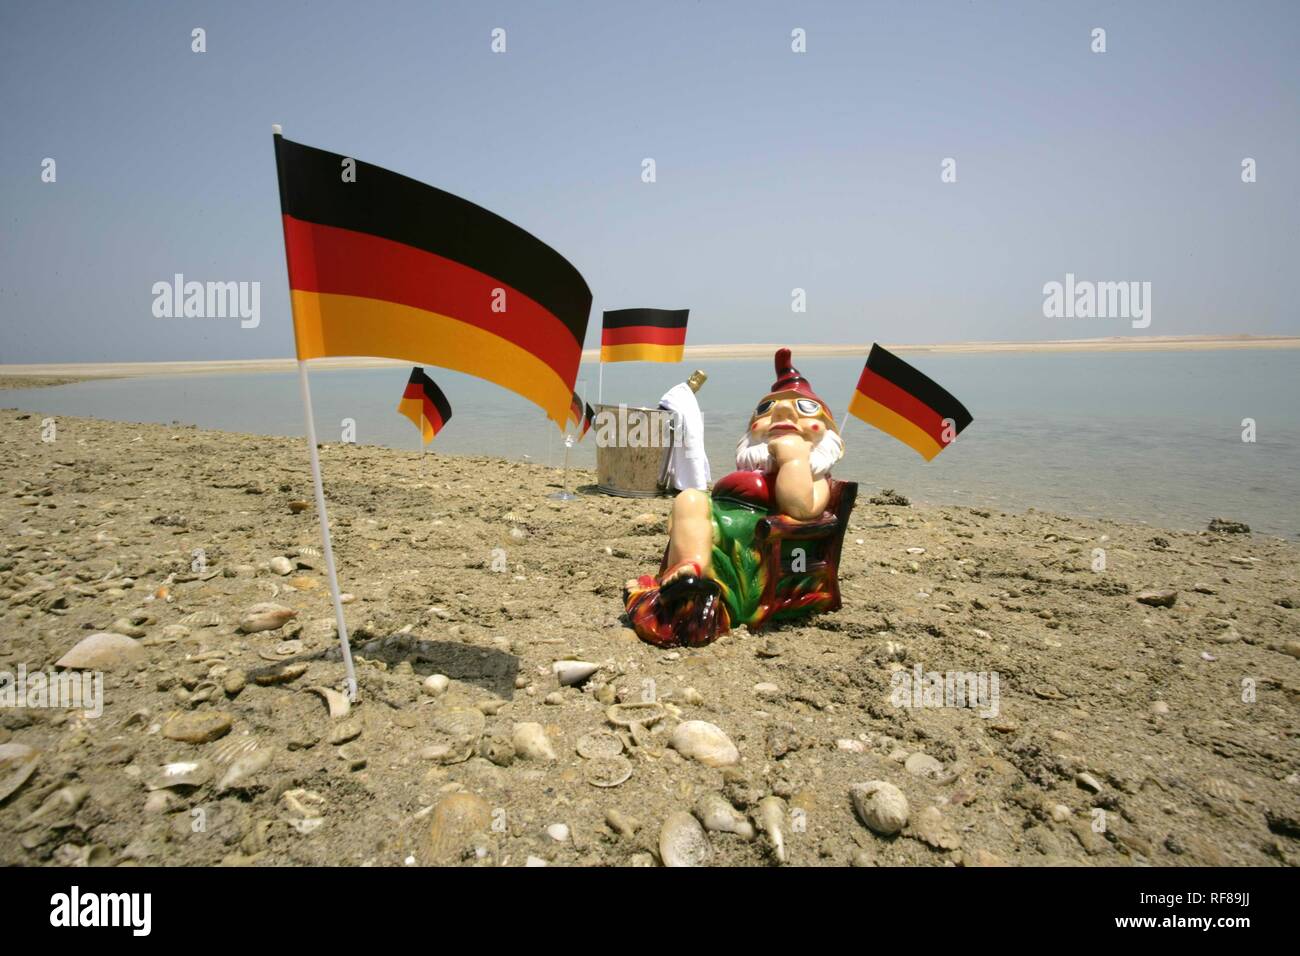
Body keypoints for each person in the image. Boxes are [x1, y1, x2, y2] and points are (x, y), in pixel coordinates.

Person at [625, 348, 847, 646]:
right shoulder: (754, 462)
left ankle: (700, 585)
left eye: (805, 409)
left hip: (758, 534)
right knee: (690, 498)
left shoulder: (814, 474)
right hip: (723, 518)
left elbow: (801, 509)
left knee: (696, 506)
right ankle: (691, 570)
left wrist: (794, 460)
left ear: (827, 432)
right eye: (766, 410)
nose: (781, 413)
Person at [657, 369, 710, 492]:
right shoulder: (679, 395)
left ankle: (682, 480)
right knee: (689, 440)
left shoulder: (682, 398)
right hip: (667, 424)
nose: (696, 384)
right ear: (691, 378)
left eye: (698, 383)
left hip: (668, 424)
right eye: (695, 380)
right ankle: (689, 481)